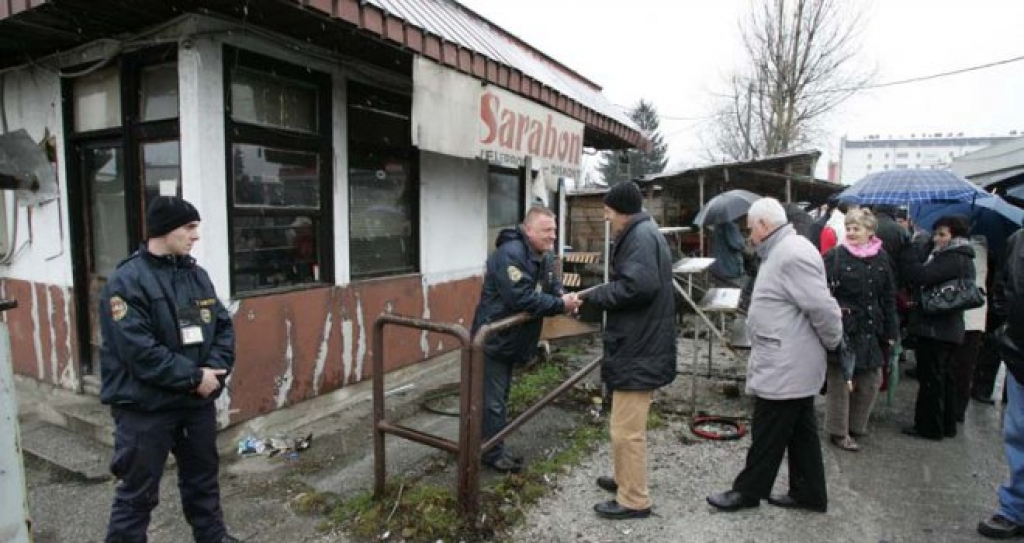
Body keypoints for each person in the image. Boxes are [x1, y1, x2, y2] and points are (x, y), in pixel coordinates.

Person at [99, 196, 240, 543]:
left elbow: (223, 327)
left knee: (203, 483)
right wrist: (195, 378)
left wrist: (214, 373)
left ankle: (213, 538)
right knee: (137, 496)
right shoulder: (126, 281)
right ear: (164, 230)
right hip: (145, 410)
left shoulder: (196, 275)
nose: (196, 236)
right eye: (189, 227)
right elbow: (139, 352)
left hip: (195, 406)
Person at [707, 197, 842, 514]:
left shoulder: (792, 253)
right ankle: (809, 493)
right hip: (786, 358)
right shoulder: (781, 251)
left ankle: (747, 492)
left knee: (767, 430)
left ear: (765, 226)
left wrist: (835, 342)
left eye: (751, 229)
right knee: (800, 433)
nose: (749, 236)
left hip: (788, 362)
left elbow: (822, 307)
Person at [577, 181, 676, 520]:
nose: (606, 218)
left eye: (607, 212)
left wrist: (596, 296)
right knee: (623, 424)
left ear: (622, 211)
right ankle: (623, 479)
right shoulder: (644, 233)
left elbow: (639, 286)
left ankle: (634, 499)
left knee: (626, 430)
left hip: (640, 347)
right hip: (640, 342)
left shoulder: (639, 237)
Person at [471, 206, 580, 473]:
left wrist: (564, 297)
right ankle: (490, 453)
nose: (553, 236)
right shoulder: (510, 255)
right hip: (494, 338)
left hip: (513, 338)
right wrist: (559, 304)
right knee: (493, 400)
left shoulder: (543, 254)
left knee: (500, 397)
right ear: (528, 229)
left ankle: (492, 446)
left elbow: (553, 284)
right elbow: (520, 298)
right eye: (547, 230)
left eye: (554, 230)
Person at [822, 209, 898, 452]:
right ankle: (838, 432)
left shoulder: (882, 258)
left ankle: (856, 426)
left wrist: (891, 331)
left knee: (870, 381)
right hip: (845, 328)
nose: (852, 232)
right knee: (841, 381)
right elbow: (821, 292)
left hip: (871, 328)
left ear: (870, 232)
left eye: (857, 228)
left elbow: (888, 296)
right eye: (849, 227)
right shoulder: (835, 256)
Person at [900, 215, 976, 441]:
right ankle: (946, 424)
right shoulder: (962, 257)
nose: (936, 239)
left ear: (955, 236)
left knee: (932, 378)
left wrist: (910, 252)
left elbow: (921, 276)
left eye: (942, 234)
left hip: (937, 327)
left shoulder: (952, 257)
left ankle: (929, 427)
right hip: (948, 327)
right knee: (943, 378)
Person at [978, 226, 1024, 538]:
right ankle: (1015, 508)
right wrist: (1008, 327)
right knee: (1018, 433)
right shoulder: (1018, 239)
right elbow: (1003, 286)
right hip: (1022, 352)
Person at [951, 236, 988, 422]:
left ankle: (954, 410)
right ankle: (958, 410)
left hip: (960, 314)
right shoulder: (987, 249)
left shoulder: (959, 252)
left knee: (958, 366)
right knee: (965, 367)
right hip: (976, 316)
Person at [708, 220, 745, 288]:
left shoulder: (718, 224)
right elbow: (738, 245)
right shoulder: (730, 225)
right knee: (732, 294)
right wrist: (743, 240)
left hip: (719, 268)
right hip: (730, 269)